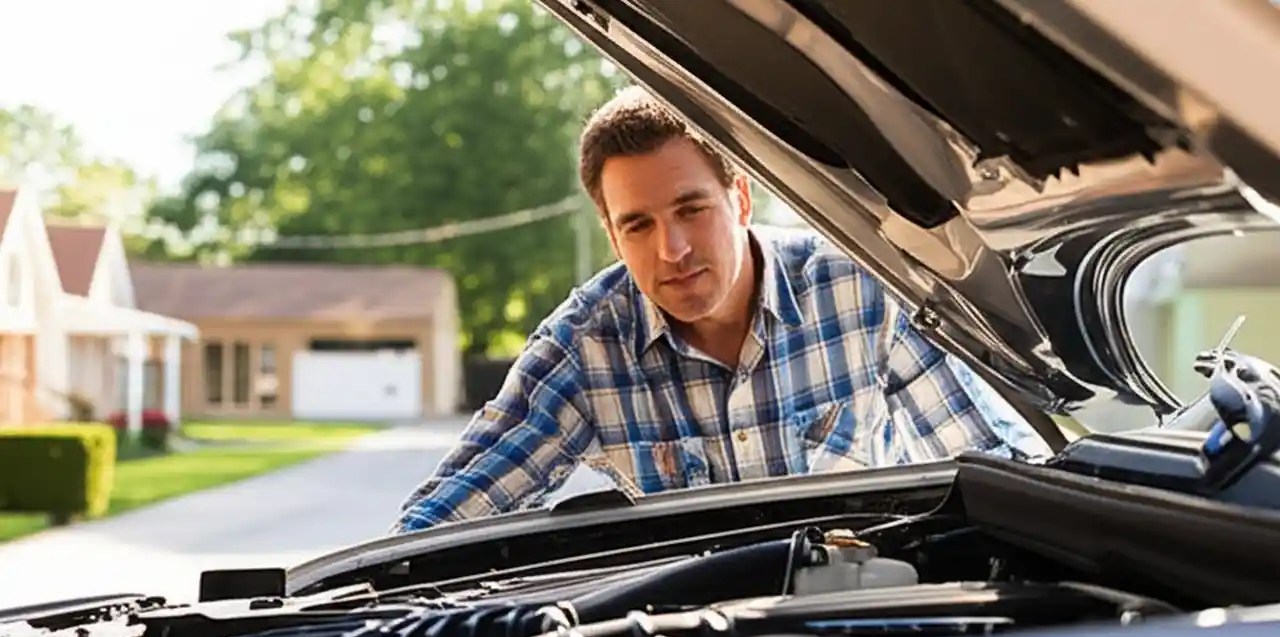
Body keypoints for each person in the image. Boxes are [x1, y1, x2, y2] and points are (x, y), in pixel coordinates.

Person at [392, 86, 1048, 533]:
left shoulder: (860, 292)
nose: (671, 249)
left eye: (690, 210)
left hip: (864, 634)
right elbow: (444, 517)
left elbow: (993, 462)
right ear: (611, 233)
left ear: (739, 198)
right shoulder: (586, 347)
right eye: (638, 225)